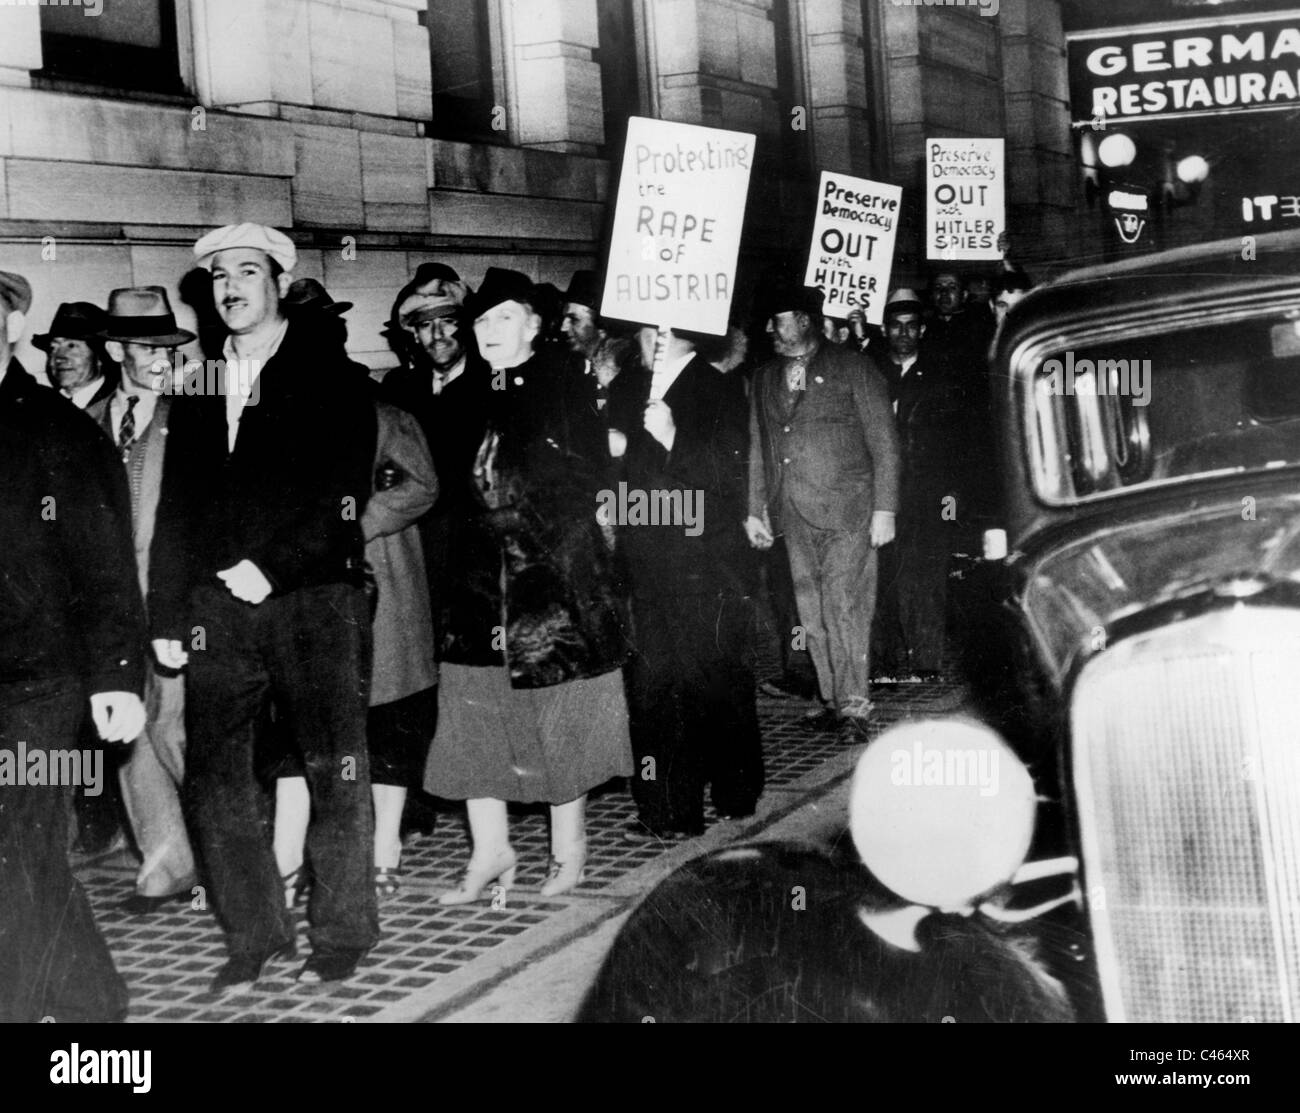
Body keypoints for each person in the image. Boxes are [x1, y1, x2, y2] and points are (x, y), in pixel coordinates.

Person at [149, 222, 379, 989]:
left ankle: (342, 929)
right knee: (214, 777)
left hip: (314, 599)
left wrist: (272, 568)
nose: (231, 287)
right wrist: (166, 617)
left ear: (278, 283)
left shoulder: (333, 377)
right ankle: (253, 932)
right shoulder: (199, 385)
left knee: (333, 766)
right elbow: (175, 510)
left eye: (248, 272)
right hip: (219, 606)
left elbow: (344, 497)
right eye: (219, 277)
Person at [425, 266, 633, 902]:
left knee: (557, 719)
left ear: (535, 326)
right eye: (482, 320)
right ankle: (490, 852)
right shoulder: (463, 394)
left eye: (504, 317)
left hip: (548, 586)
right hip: (476, 587)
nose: (489, 330)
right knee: (472, 718)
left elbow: (591, 474)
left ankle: (568, 852)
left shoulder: (562, 384)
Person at [0, 269, 148, 1022]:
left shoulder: (55, 432)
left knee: (15, 852)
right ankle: (93, 1002)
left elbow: (106, 564)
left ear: (13, 327)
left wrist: (117, 674)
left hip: (37, 684)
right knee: (21, 860)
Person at [270, 283, 440, 905]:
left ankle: (384, 850)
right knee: (298, 727)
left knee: (387, 723)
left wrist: (348, 528)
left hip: (380, 590)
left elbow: (418, 485)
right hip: (300, 594)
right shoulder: (276, 409)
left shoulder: (380, 410)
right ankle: (287, 860)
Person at [611, 325, 762, 841]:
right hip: (645, 557)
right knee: (653, 689)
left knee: (710, 681)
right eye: (647, 325)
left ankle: (736, 790)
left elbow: (731, 472)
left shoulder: (717, 388)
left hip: (704, 559)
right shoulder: (628, 386)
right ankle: (666, 810)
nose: (652, 334)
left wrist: (674, 437)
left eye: (663, 324)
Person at [85, 287, 200, 914]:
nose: (163, 360)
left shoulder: (192, 416)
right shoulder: (86, 423)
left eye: (169, 349)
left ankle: (237, 853)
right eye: (148, 348)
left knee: (175, 728)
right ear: (115, 349)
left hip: (176, 600)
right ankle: (166, 867)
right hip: (110, 604)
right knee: (128, 734)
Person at [745, 278, 901, 743]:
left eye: (778, 320)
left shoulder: (853, 367)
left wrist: (886, 509)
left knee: (845, 604)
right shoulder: (763, 377)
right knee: (810, 611)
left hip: (849, 508)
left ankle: (855, 703)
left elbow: (885, 444)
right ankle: (834, 699)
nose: (770, 329)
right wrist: (755, 508)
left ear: (805, 321)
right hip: (792, 512)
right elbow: (758, 447)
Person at [871, 289, 963, 683]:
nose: (904, 334)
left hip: (929, 494)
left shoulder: (941, 376)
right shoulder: (870, 375)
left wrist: (952, 504)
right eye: (896, 326)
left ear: (922, 330)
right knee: (882, 576)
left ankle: (926, 664)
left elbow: (960, 444)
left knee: (926, 578)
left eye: (911, 327)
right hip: (881, 495)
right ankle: (883, 665)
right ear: (884, 329)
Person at [33, 301, 117, 410]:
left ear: (100, 357)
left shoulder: (116, 408)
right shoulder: (41, 407)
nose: (59, 358)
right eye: (53, 348)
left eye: (71, 346)